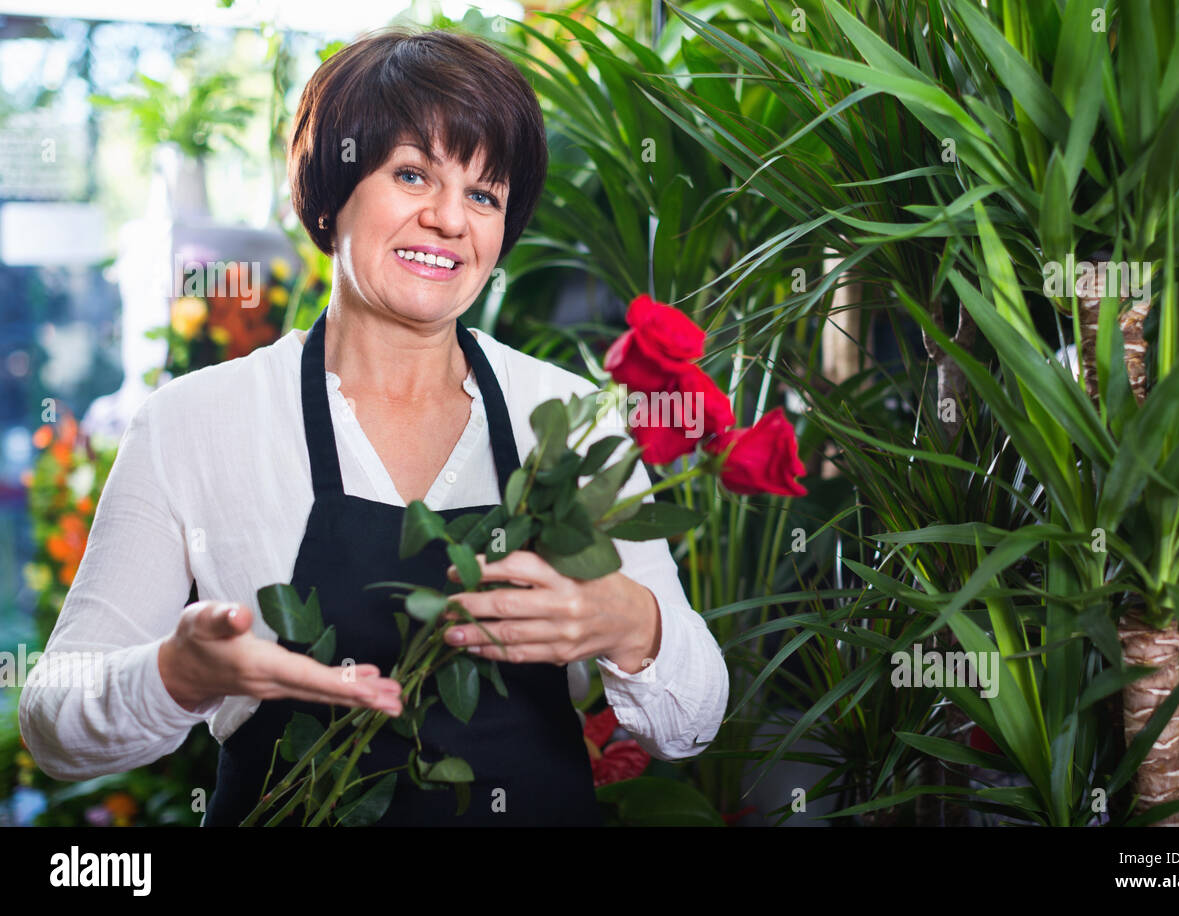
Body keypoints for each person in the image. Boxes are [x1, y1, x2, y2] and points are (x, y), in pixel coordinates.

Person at [19, 27, 728, 826]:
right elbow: (52, 719)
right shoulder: (195, 423)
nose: (450, 220)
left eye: (484, 194)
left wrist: (637, 624)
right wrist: (175, 673)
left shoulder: (560, 420)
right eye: (413, 174)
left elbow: (693, 723)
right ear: (330, 193)